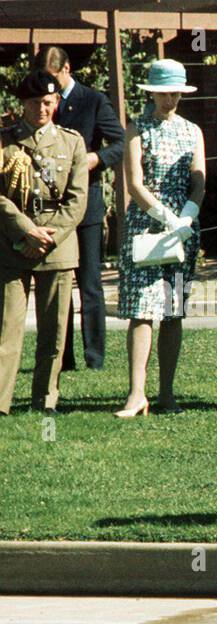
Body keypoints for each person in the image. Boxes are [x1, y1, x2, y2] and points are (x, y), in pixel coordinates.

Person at [115, 59, 204, 417]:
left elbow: (198, 178)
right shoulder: (137, 128)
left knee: (172, 311)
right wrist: (164, 216)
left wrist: (188, 214)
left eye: (176, 93)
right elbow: (134, 183)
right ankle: (137, 394)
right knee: (141, 311)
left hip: (182, 231)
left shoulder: (192, 130)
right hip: (146, 227)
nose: (171, 99)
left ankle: (167, 393)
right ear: (152, 92)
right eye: (166, 93)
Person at [0, 72, 87, 415]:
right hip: (11, 242)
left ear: (57, 103)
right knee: (6, 331)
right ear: (22, 103)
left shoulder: (72, 142)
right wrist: (24, 229)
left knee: (53, 334)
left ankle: (46, 399)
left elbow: (77, 200)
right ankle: (2, 403)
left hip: (57, 245)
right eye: (35, 102)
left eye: (48, 102)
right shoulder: (5, 140)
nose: (42, 109)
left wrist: (46, 238)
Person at [39, 46, 124, 373]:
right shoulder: (44, 103)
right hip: (51, 208)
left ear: (67, 69)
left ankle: (95, 358)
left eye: (54, 79)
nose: (50, 88)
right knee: (57, 285)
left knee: (89, 283)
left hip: (85, 204)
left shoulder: (93, 100)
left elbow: (119, 142)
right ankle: (61, 357)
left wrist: (96, 158)